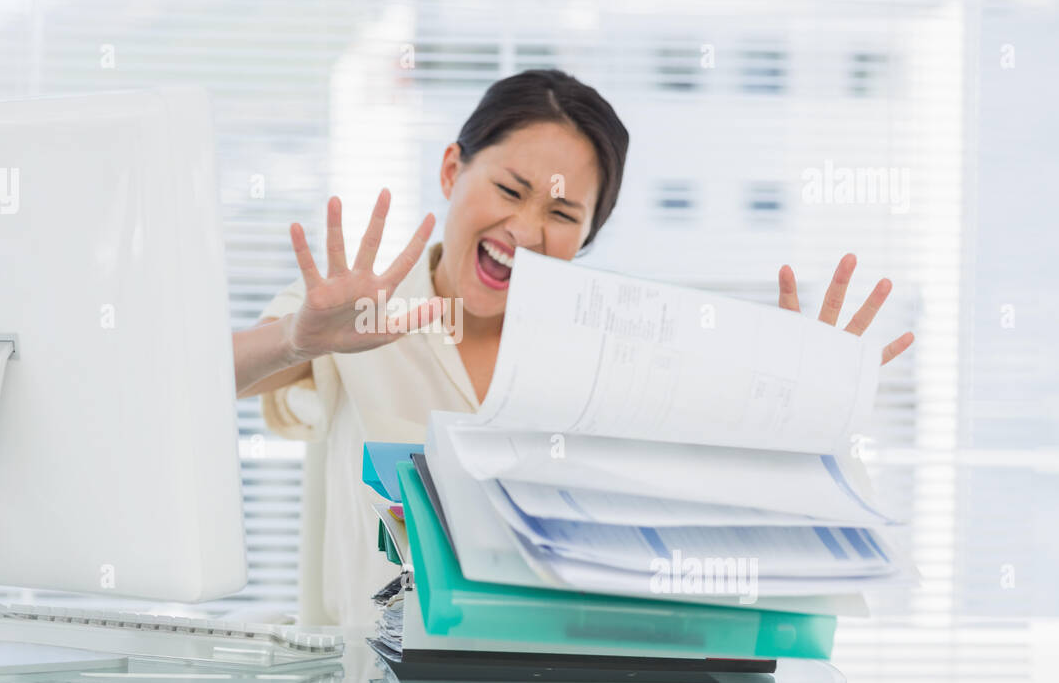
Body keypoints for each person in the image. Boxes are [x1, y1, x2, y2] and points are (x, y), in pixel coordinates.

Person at [232, 69, 915, 627]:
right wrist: (297, 339)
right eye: (508, 189)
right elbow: (202, 382)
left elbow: (718, 514)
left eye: (561, 215)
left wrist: (810, 400)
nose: (525, 230)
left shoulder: (621, 350)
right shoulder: (359, 306)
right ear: (450, 170)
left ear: (587, 236)